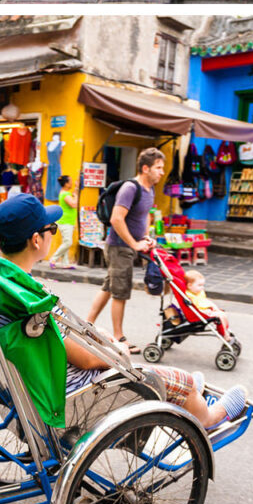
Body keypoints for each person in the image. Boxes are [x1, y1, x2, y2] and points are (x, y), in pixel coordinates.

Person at [0, 194, 248, 431]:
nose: (53, 234)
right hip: (74, 396)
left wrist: (96, 336)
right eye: (52, 229)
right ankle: (207, 417)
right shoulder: (33, 302)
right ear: (36, 240)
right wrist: (118, 352)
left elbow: (59, 339)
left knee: (147, 367)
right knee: (181, 380)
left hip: (34, 389)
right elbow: (86, 360)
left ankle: (187, 397)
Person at [84, 148, 166, 352]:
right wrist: (134, 244)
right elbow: (116, 219)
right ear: (145, 168)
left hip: (127, 246)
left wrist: (145, 237)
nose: (162, 172)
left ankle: (86, 325)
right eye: (158, 168)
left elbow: (144, 216)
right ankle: (119, 338)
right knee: (120, 292)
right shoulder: (130, 188)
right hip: (119, 247)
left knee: (109, 287)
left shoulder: (150, 190)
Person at [46, 174, 77, 269]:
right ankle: (53, 258)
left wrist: (76, 189)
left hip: (68, 221)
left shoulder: (65, 193)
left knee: (66, 242)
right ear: (66, 184)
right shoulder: (65, 194)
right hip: (65, 221)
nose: (71, 183)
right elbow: (74, 204)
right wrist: (76, 196)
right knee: (68, 242)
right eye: (70, 181)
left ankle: (65, 263)